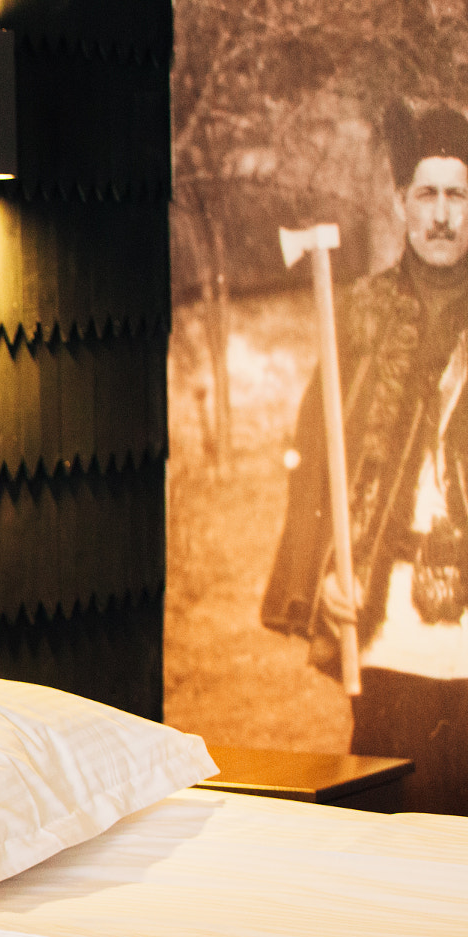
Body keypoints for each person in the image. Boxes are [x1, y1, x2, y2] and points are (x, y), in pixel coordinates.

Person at [262, 103, 468, 816]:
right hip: (386, 627)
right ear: (401, 203)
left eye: (457, 194)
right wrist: (326, 576)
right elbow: (319, 461)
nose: (442, 214)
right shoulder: (362, 311)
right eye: (427, 194)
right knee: (396, 823)